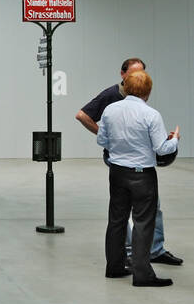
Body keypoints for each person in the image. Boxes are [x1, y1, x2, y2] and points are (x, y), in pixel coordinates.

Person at [75, 57, 182, 267]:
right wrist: (175, 140)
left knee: (135, 211)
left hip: (124, 166)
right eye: (135, 74)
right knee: (134, 213)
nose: (139, 78)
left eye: (142, 73)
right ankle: (134, 255)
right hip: (131, 165)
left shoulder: (136, 109)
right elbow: (82, 115)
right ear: (123, 75)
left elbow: (105, 137)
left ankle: (152, 250)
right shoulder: (112, 97)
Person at [96, 69, 179, 286]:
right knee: (143, 222)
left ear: (125, 87)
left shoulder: (110, 110)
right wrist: (175, 139)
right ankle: (142, 275)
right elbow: (161, 149)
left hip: (117, 172)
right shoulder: (151, 115)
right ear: (148, 91)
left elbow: (101, 140)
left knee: (116, 220)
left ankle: (114, 267)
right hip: (143, 175)